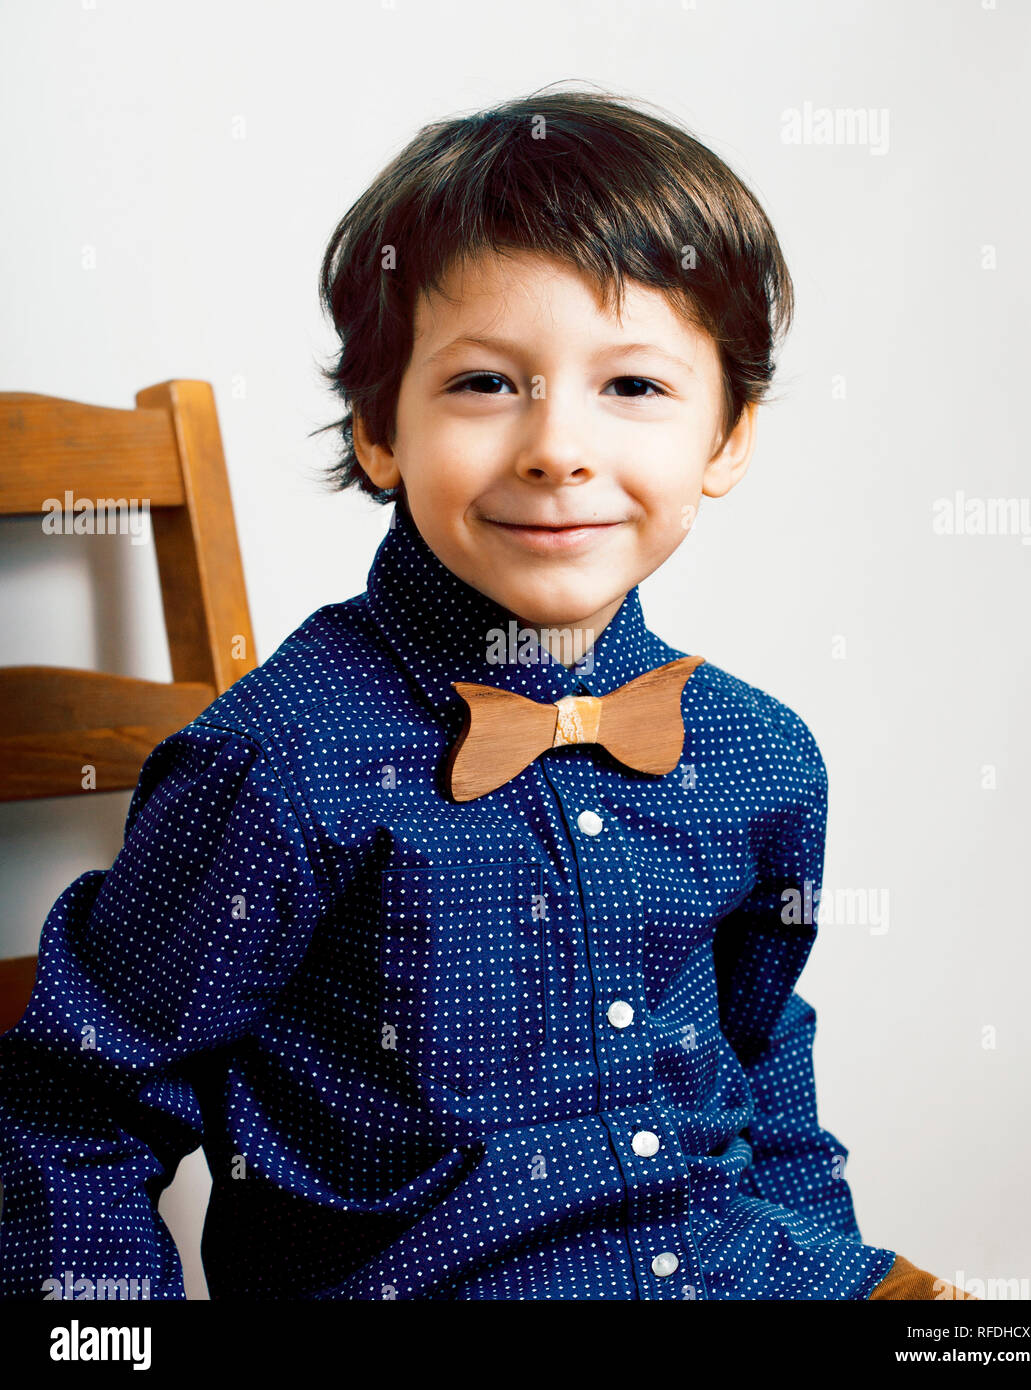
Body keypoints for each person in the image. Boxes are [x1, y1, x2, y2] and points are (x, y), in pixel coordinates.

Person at [0, 85, 974, 1301]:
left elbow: (764, 1057)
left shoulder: (760, 759)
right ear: (377, 427)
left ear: (727, 438)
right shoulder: (281, 765)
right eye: (484, 384)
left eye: (633, 387)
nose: (557, 446)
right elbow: (68, 1106)